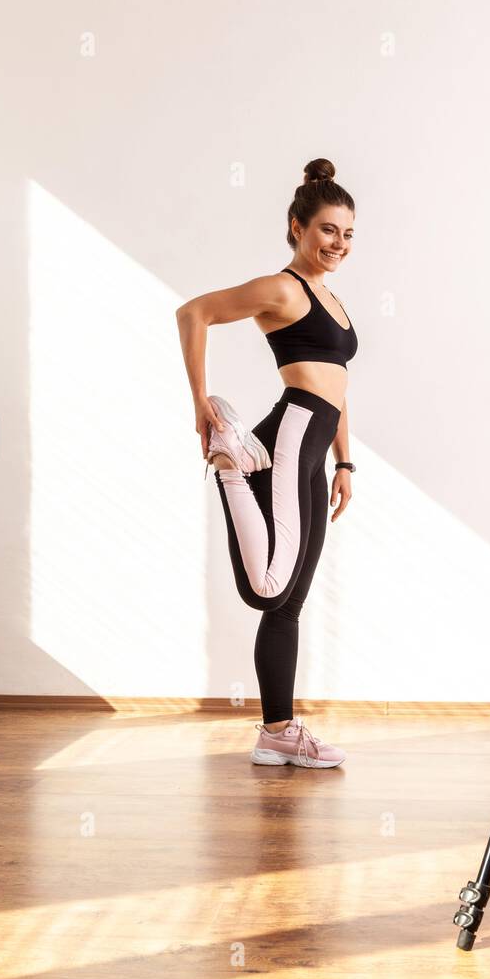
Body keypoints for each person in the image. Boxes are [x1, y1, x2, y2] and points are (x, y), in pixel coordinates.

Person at [175, 158, 357, 768]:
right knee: (267, 588)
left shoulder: (333, 298)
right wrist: (200, 402)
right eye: (328, 230)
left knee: (289, 603)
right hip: (287, 439)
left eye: (349, 233)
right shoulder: (284, 289)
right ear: (298, 227)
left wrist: (345, 463)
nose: (339, 243)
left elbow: (340, 385)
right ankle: (230, 462)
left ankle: (277, 732)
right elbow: (193, 312)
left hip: (313, 450)